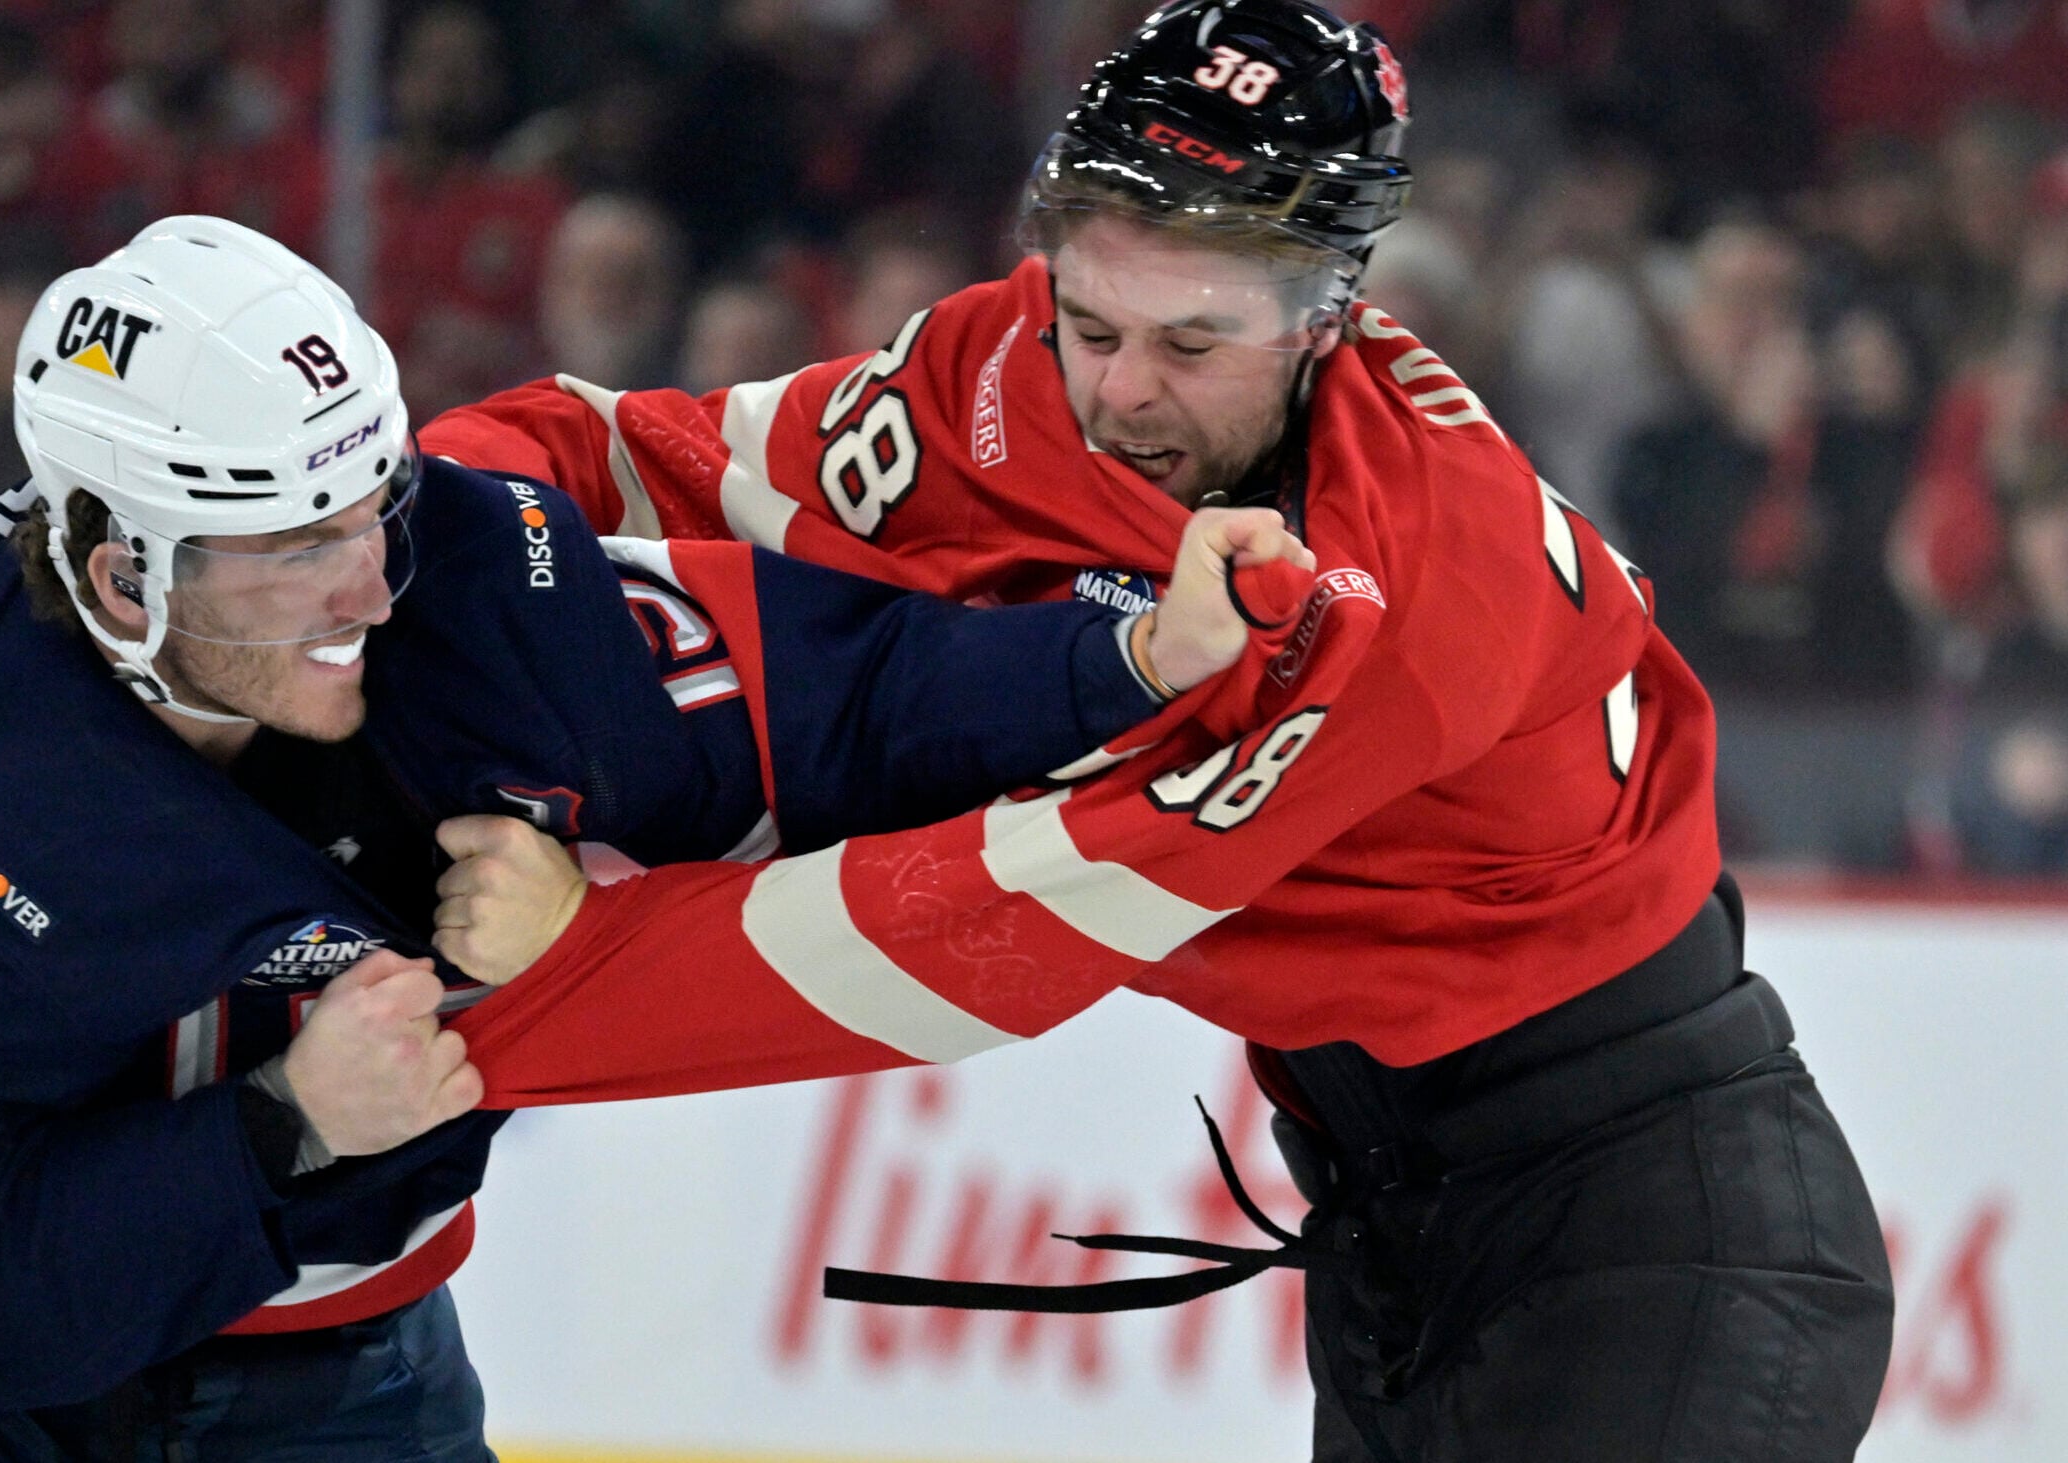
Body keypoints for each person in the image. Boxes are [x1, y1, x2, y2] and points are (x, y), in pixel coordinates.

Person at [419, 4, 1895, 1459]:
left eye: (1195, 341)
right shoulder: (1000, 366)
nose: (1122, 391)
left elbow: (991, 926)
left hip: (1656, 1226)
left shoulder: (1407, 591)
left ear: (1327, 318)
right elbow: (657, 459)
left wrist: (559, 976)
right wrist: (385, 518)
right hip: (1391, 1212)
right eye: (1092, 321)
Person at [0, 214, 1292, 1461]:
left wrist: (1136, 652)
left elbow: (843, 690)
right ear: (124, 573)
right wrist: (284, 1130)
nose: (370, 585)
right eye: (295, 546)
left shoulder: (468, 583)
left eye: (372, 508)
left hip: (331, 1379)